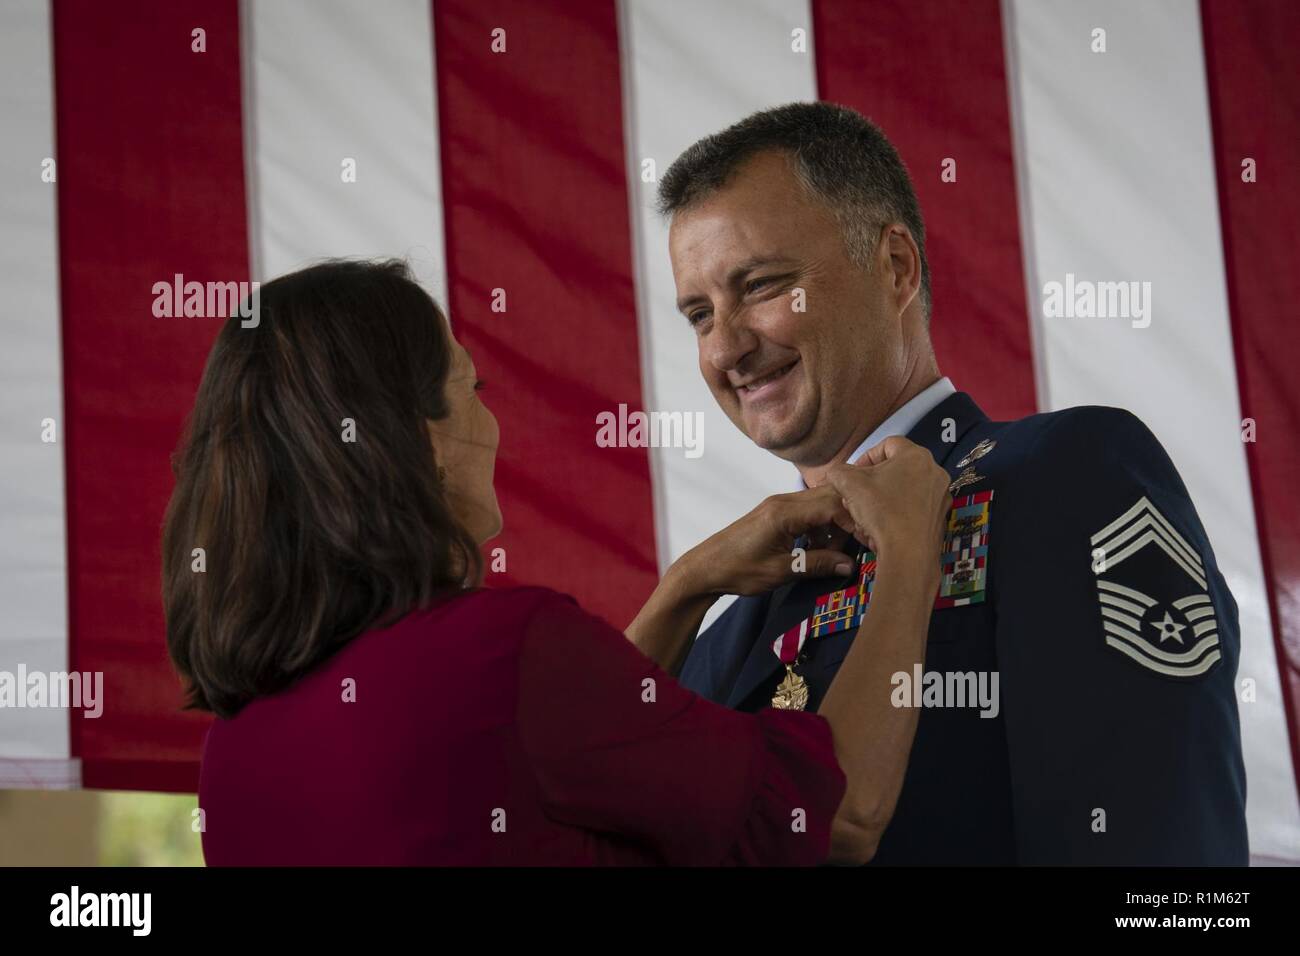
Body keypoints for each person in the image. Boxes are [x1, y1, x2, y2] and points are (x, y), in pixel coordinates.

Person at [163, 258, 953, 866]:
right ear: (423, 437)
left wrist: (689, 585)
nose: (492, 422)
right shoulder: (505, 653)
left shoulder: (232, 760)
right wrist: (913, 547)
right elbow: (834, 814)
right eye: (472, 389)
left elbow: (537, 755)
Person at [636, 102, 1249, 865]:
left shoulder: (1065, 476)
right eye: (699, 313)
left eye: (761, 286)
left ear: (894, 267)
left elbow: (1158, 850)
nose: (726, 346)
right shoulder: (727, 627)